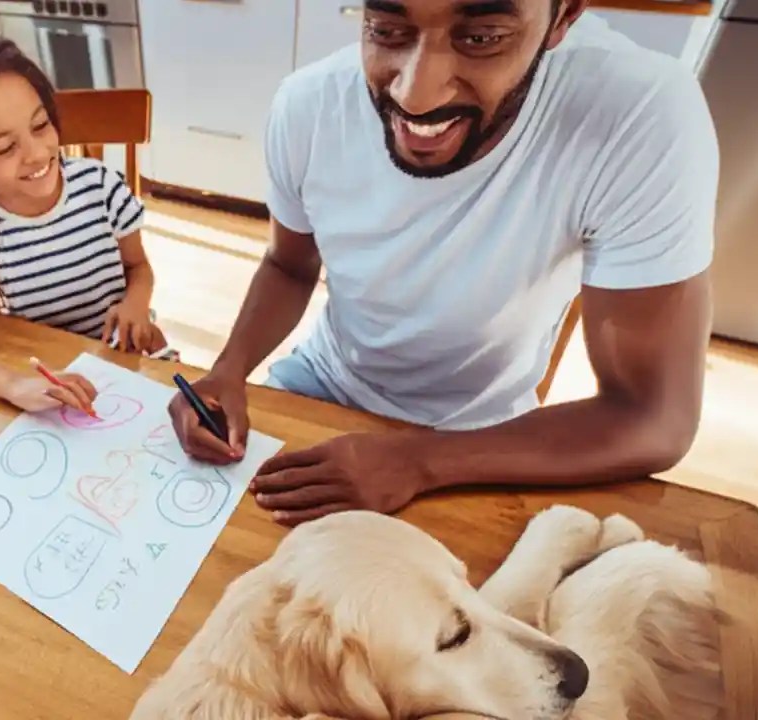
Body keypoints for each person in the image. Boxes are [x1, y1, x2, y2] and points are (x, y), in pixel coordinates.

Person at [169, 0, 718, 526]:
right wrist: (229, 369)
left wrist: (418, 461)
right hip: (323, 383)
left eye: (481, 39)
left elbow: (653, 418)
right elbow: (289, 267)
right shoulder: (308, 103)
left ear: (565, 14)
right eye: (386, 29)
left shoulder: (640, 113)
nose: (416, 94)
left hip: (484, 436)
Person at [0, 36, 170, 414]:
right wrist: (11, 384)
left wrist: (135, 303)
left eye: (41, 125)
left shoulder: (100, 186)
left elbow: (138, 267)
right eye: (4, 148)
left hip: (123, 359)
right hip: (43, 376)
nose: (36, 153)